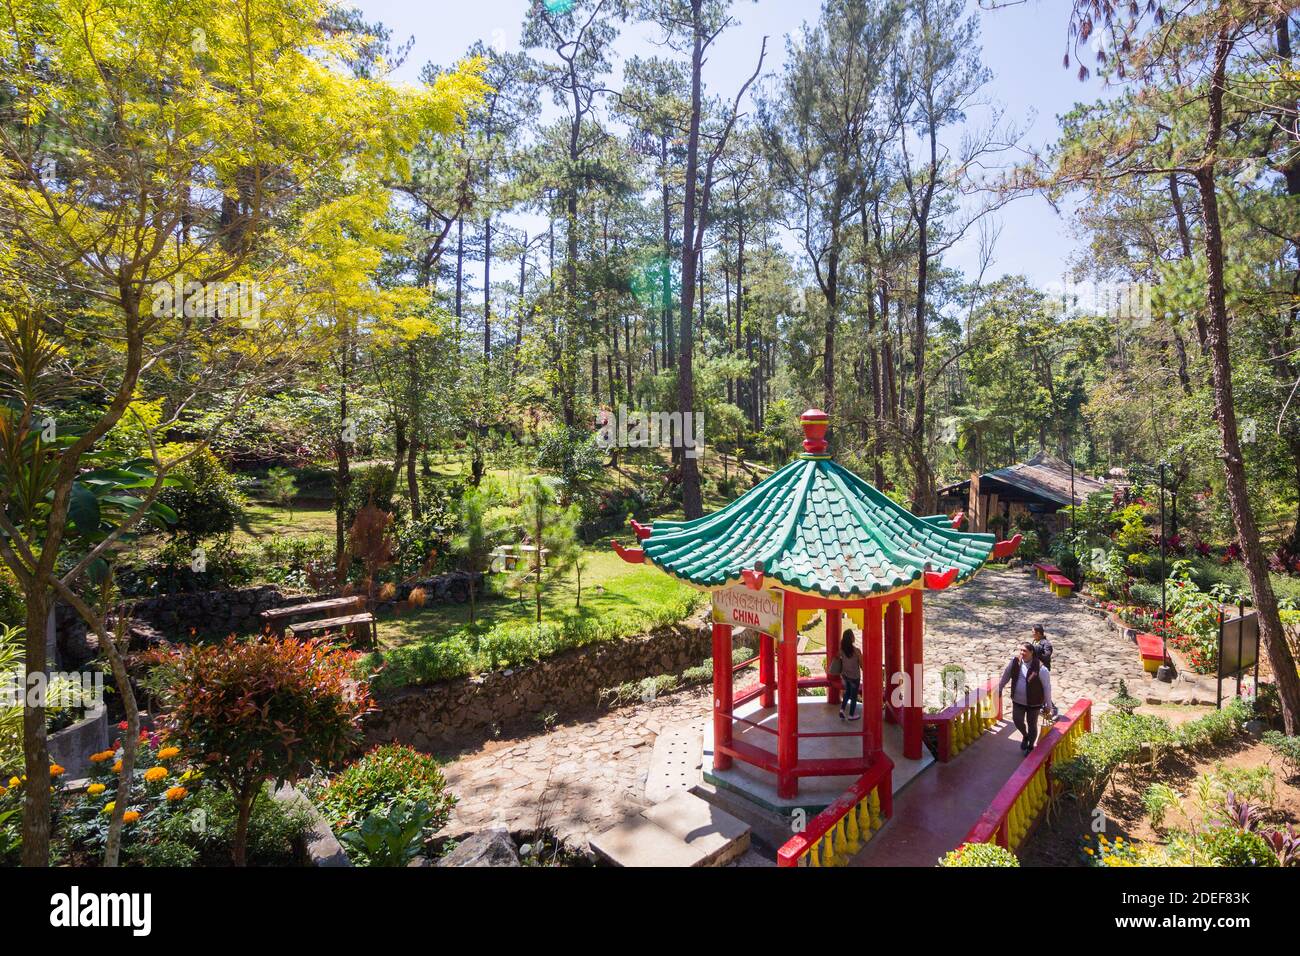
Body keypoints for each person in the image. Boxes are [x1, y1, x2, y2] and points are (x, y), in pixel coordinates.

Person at [997, 641, 1054, 754]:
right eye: (1021, 650)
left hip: (1034, 702)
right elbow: (1006, 675)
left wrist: (1049, 705)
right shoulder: (1015, 662)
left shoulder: (1041, 669)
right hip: (1018, 700)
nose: (1022, 653)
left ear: (1031, 652)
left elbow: (1047, 687)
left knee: (1032, 724)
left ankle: (1030, 746)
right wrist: (1000, 687)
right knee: (1017, 720)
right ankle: (1025, 735)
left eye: (1025, 651)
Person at [837, 630, 863, 721]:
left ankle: (842, 710)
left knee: (847, 693)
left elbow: (837, 657)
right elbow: (862, 665)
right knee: (854, 695)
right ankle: (851, 715)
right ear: (851, 638)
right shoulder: (857, 651)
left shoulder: (842, 650)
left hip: (845, 675)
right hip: (854, 677)